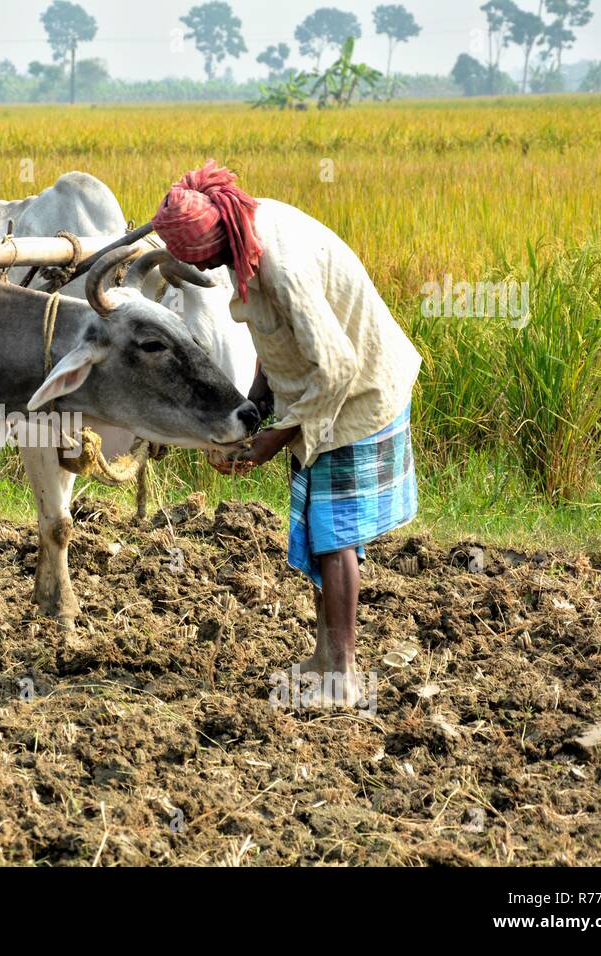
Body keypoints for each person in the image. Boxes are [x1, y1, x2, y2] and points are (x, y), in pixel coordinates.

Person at [153, 161, 422, 706]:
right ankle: (324, 655)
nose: (204, 268)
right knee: (317, 526)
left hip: (358, 395)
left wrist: (276, 437)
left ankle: (343, 672)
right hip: (314, 398)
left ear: (214, 245)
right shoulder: (245, 230)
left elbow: (339, 366)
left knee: (334, 532)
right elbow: (274, 340)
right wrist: (256, 403)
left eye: (201, 261)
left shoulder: (281, 265)